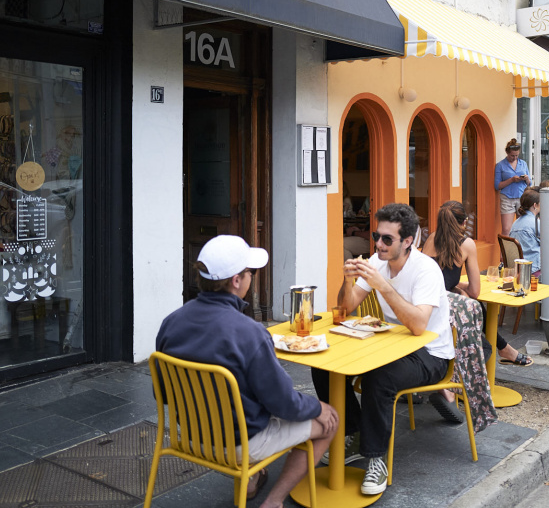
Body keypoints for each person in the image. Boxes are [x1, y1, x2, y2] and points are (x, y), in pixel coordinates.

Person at [155, 236, 338, 508]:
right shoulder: (249, 332)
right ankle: (273, 502)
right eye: (250, 273)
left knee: (252, 400)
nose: (252, 278)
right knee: (329, 420)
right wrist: (317, 407)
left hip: (190, 437)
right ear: (236, 281)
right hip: (238, 445)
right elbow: (283, 403)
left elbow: (165, 395)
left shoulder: (171, 322)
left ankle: (251, 482)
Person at [313, 203, 455, 496]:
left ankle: (376, 458)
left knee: (381, 380)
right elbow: (343, 311)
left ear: (407, 241)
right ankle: (353, 432)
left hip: (431, 352)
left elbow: (419, 326)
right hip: (394, 343)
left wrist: (384, 286)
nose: (378, 244)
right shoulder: (378, 262)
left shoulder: (425, 269)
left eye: (387, 239)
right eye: (377, 236)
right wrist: (348, 279)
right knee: (323, 365)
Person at [422, 201, 532, 384]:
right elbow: (475, 291)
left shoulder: (431, 238)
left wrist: (456, 285)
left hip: (424, 302)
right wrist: (460, 287)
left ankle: (504, 348)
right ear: (464, 222)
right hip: (441, 307)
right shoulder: (466, 244)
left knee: (475, 305)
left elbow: (433, 277)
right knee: (477, 305)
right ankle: (502, 349)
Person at [494, 139, 531, 236]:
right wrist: (511, 180)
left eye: (517, 155)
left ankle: (522, 250)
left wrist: (526, 179)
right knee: (506, 229)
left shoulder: (523, 163)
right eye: (512, 155)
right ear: (507, 153)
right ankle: (505, 251)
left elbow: (529, 183)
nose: (514, 158)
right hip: (507, 198)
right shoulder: (500, 165)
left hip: (522, 197)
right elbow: (497, 185)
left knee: (522, 228)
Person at [509, 188, 541, 276]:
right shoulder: (536, 223)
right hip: (533, 268)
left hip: (517, 268)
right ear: (535, 205)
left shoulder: (515, 223)